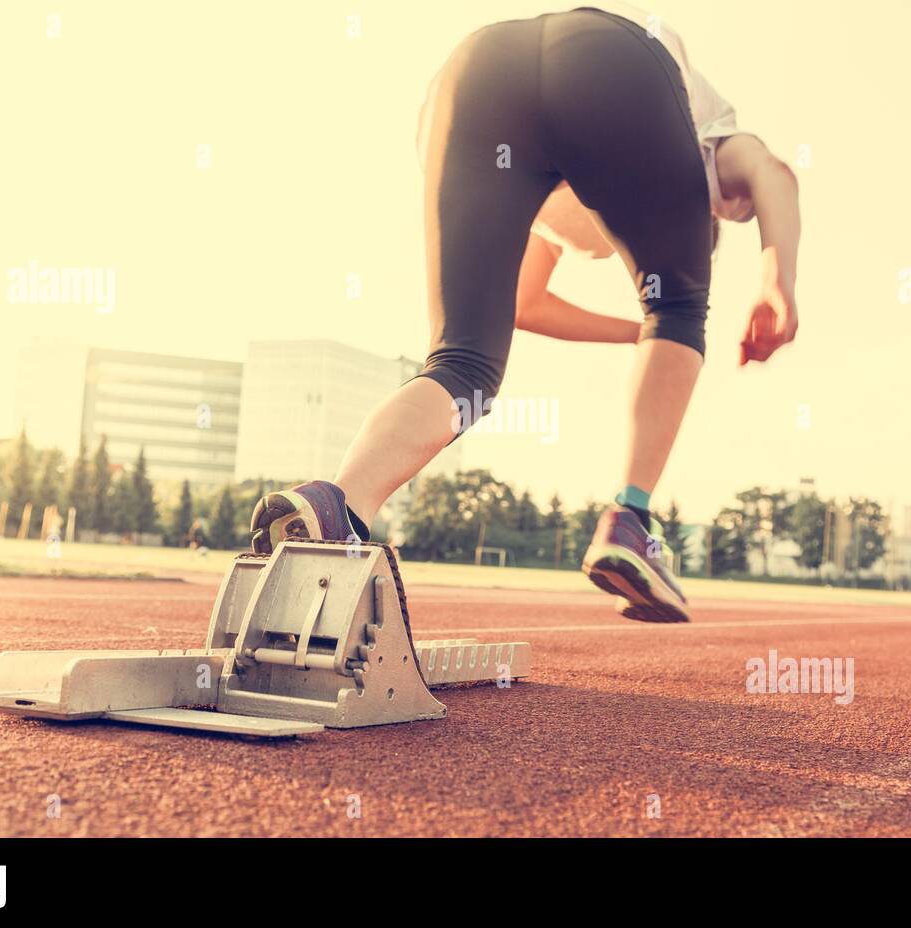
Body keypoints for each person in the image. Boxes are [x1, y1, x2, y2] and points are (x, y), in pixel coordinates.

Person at [250, 2, 802, 623]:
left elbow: (524, 303)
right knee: (679, 304)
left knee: (463, 365)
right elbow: (773, 172)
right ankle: (632, 520)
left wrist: (637, 336)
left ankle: (336, 508)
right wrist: (777, 283)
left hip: (476, 75)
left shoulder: (560, 191)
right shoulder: (710, 153)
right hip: (619, 60)